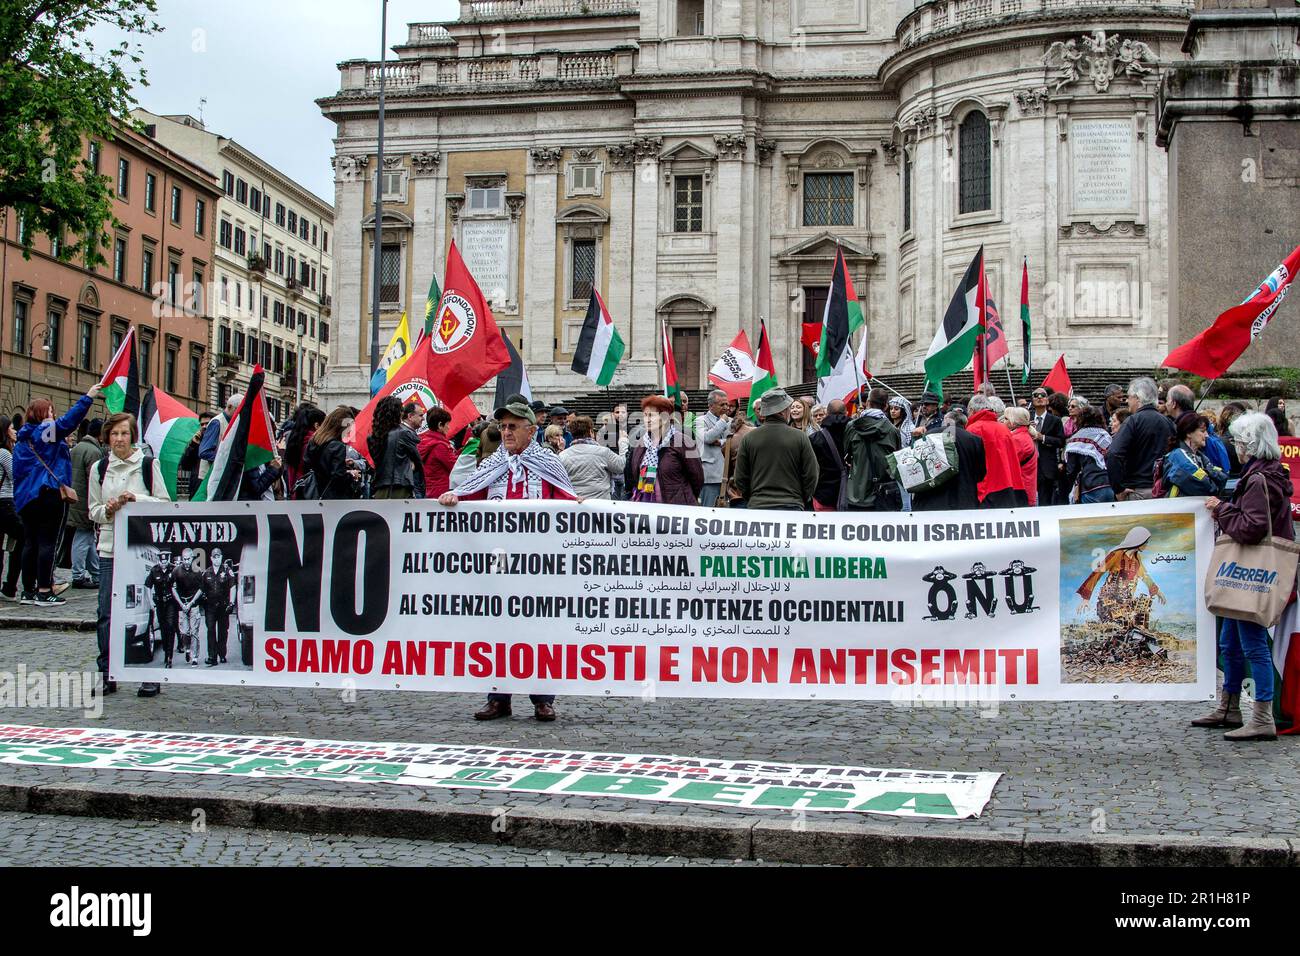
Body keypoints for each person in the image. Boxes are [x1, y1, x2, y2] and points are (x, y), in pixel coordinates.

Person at [440, 400, 575, 722]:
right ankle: (498, 696)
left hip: (539, 562)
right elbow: (471, 494)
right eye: (502, 427)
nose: (506, 432)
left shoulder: (548, 463)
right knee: (499, 627)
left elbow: (567, 504)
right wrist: (453, 497)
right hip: (499, 562)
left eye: (513, 426)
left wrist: (581, 506)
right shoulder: (492, 464)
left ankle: (543, 698)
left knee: (539, 629)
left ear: (531, 430)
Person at [1199, 413, 1294, 741]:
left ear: (1249, 445)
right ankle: (1231, 707)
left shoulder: (1257, 480)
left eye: (1239, 442)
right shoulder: (1267, 475)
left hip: (1251, 573)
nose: (1236, 447)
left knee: (1251, 644)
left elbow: (1250, 528)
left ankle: (1261, 716)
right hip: (1254, 573)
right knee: (1232, 641)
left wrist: (1221, 509)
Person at [87, 412, 170, 696]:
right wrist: (107, 510)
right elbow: (93, 510)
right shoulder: (99, 468)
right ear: (107, 438)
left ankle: (149, 674)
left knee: (146, 610)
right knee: (106, 613)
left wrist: (137, 500)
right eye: (114, 434)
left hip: (140, 549)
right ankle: (106, 671)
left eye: (124, 433)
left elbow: (164, 504)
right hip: (110, 548)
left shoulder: (148, 465)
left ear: (132, 436)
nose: (119, 439)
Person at [12, 387, 98, 604]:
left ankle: (28, 591)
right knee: (48, 543)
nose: (54, 416)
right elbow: (69, 422)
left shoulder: (22, 439)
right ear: (43, 415)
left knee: (30, 543)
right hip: (48, 493)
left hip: (25, 499)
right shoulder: (46, 431)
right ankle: (44, 590)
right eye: (50, 412)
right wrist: (88, 398)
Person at [734, 388, 818, 511]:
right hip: (791, 505)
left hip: (758, 505)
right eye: (789, 408)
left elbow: (740, 477)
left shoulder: (749, 438)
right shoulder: (799, 437)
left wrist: (753, 497)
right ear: (783, 411)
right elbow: (812, 474)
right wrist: (801, 498)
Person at [1075, 526, 1165, 626]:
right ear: (1139, 541)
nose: (1147, 545)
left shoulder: (1137, 558)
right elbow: (1098, 572)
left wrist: (1157, 591)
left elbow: (1144, 575)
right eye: (1146, 542)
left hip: (1126, 603)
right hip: (1109, 602)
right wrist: (1086, 598)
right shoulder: (1116, 554)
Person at [1107, 376, 1176, 501]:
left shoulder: (1133, 421)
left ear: (1138, 398)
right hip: (1163, 491)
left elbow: (1113, 454)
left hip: (1138, 491)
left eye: (1129, 397)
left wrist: (1118, 489)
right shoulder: (1168, 422)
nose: (1127, 401)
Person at [628, 395, 703, 506]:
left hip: (676, 509)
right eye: (645, 415)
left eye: (652, 416)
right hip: (646, 509)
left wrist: (685, 497)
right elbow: (633, 475)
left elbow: (697, 477)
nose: (647, 420)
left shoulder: (683, 442)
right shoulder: (640, 444)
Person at [911, 409, 986, 512]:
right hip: (964, 499)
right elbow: (981, 474)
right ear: (964, 424)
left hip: (931, 500)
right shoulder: (975, 440)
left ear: (945, 421)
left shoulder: (929, 435)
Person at [842, 388, 903, 511]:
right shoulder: (893, 431)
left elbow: (845, 452)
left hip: (857, 494)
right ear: (886, 406)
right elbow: (896, 460)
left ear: (868, 403)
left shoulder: (851, 426)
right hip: (884, 494)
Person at [964, 394, 1025, 508]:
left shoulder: (973, 429)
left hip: (985, 490)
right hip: (1008, 484)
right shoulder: (1003, 428)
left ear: (971, 411)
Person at [66, 418, 103, 589]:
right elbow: (94, 481)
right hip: (85, 501)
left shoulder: (78, 448)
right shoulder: (94, 452)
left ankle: (96, 574)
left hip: (75, 499)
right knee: (83, 537)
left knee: (88, 538)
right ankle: (78, 575)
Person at [368, 395, 425, 499]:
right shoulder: (403, 433)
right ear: (396, 413)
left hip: (380, 486)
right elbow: (418, 461)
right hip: (400, 486)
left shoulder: (372, 437)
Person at [1163, 412, 1228, 498]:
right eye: (1202, 431)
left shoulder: (1199, 456)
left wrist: (1209, 474)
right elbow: (1206, 487)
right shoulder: (1178, 456)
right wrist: (1211, 477)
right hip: (1179, 508)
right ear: (1189, 433)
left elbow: (1223, 477)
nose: (1207, 435)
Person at [304, 406, 363, 500]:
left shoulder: (314, 441)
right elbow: (338, 477)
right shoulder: (337, 446)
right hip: (333, 497)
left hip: (314, 492)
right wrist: (351, 474)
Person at [559, 416, 624, 500]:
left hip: (575, 506)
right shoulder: (603, 452)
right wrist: (623, 443)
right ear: (591, 432)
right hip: (601, 506)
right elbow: (621, 466)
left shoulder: (562, 456)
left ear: (572, 434)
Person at [1064, 405, 1114, 503]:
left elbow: (1071, 470)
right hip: (1110, 484)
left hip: (1089, 487)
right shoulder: (1105, 435)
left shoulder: (1075, 440)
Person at [810, 399, 850, 511]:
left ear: (826, 414)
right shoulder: (856, 434)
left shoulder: (815, 438)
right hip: (852, 494)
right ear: (846, 413)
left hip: (823, 494)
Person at [694, 389, 731, 507]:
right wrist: (722, 422)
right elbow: (708, 438)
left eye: (727, 404)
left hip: (729, 476)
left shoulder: (731, 421)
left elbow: (735, 441)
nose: (726, 407)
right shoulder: (700, 421)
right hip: (710, 477)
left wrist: (721, 442)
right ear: (710, 406)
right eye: (722, 404)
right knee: (709, 511)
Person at [1027, 388, 1064, 506]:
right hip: (1028, 465)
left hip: (1046, 467)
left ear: (1047, 400)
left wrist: (1042, 437)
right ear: (1032, 400)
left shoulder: (1055, 420)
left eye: (1042, 395)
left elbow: (1060, 441)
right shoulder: (1027, 418)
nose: (1039, 397)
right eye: (1036, 395)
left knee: (1045, 501)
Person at [201, 548, 237, 666]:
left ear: (221, 557)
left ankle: (222, 655)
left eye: (219, 557)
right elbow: (202, 590)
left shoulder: (227, 571)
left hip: (223, 606)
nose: (217, 559)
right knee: (210, 630)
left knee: (222, 631)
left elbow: (232, 587)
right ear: (211, 558)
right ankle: (212, 656)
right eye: (214, 557)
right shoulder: (206, 573)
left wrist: (231, 603)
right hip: (210, 607)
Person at [143, 550, 178, 671]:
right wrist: (150, 602)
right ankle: (165, 651)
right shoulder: (154, 570)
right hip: (159, 603)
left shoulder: (174, 569)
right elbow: (147, 585)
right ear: (159, 560)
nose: (163, 564)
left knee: (170, 626)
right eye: (161, 561)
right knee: (163, 628)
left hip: (170, 602)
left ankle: (169, 657)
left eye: (165, 561)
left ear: (168, 559)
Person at [0, 422, 23, 600]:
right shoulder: (4, 453)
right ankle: (10, 586)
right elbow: (16, 476)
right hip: (6, 504)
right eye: (11, 427)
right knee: (24, 539)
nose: (14, 430)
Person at [172, 548, 204, 666]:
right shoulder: (176, 571)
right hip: (182, 605)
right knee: (184, 632)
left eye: (188, 559)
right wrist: (181, 604)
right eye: (184, 559)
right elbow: (173, 589)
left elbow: (201, 589)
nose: (186, 561)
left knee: (194, 631)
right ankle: (187, 649)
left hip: (193, 604)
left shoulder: (197, 570)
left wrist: (191, 603)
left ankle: (195, 657)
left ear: (192, 558)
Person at [198, 393, 241, 483]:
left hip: (217, 477)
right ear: (229, 406)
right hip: (208, 478)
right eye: (238, 410)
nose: (239, 414)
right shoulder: (217, 422)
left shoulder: (230, 423)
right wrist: (227, 459)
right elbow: (204, 452)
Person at [719, 401, 754, 508]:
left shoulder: (730, 441)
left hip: (736, 493)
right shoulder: (756, 436)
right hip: (756, 491)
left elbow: (728, 469)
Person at [1002, 406, 1039, 506]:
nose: (1003, 421)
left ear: (1013, 422)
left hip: (1020, 490)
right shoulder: (1023, 436)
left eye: (1005, 419)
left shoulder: (1017, 439)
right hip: (1025, 489)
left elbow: (1005, 464)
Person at [417, 406, 457, 498]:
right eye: (447, 424)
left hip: (431, 488)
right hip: (441, 490)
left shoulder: (426, 441)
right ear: (440, 425)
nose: (449, 427)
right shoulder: (440, 446)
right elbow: (453, 465)